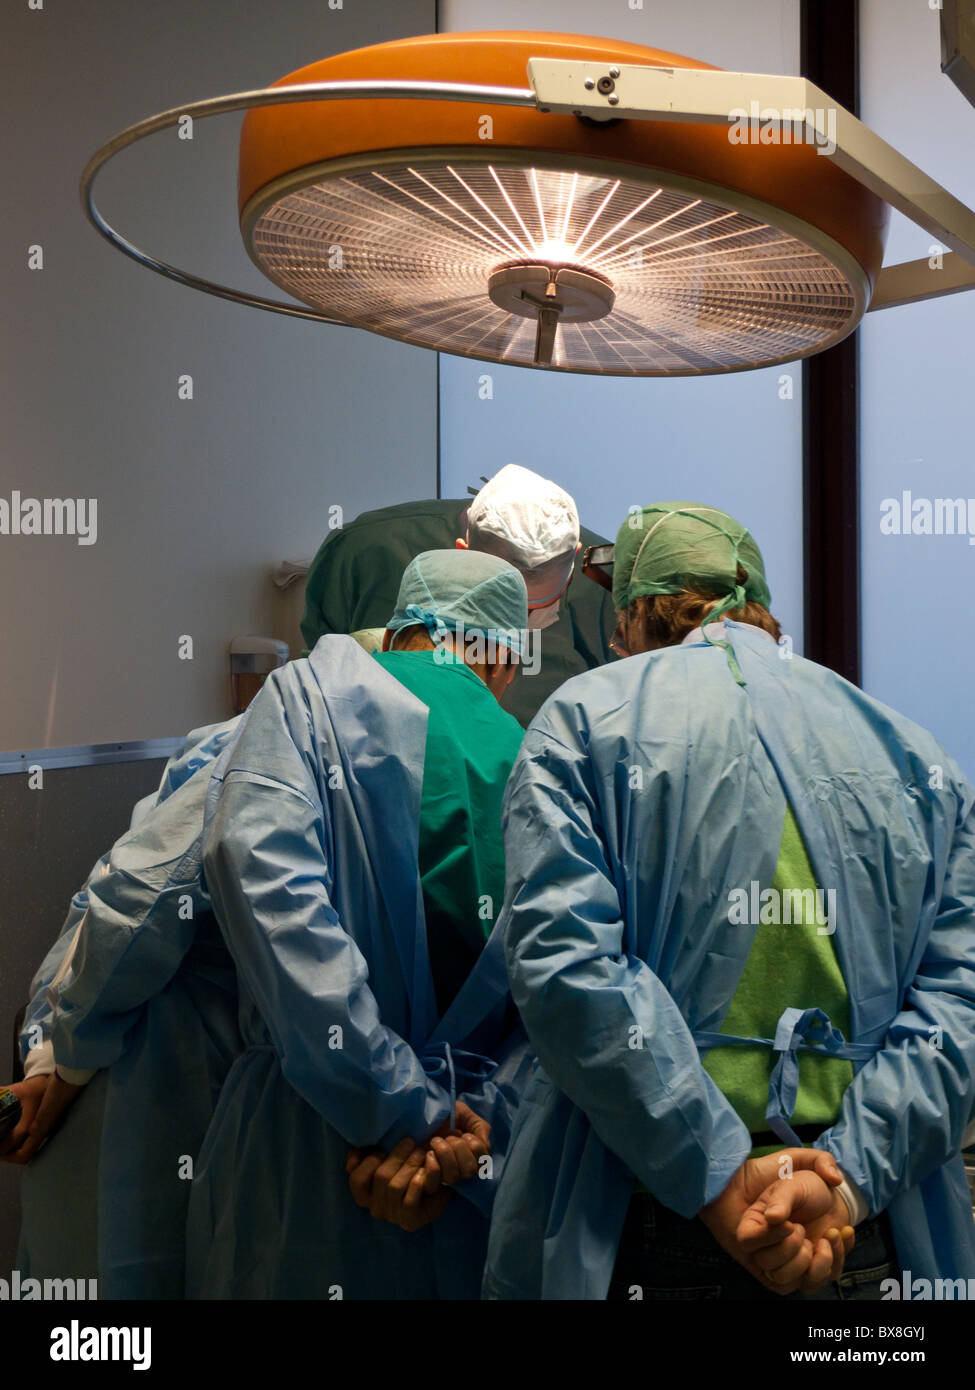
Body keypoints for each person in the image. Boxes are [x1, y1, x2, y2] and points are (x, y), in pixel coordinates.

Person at [483, 501, 975, 1300]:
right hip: (848, 1227)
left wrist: (714, 1179)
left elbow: (567, 970)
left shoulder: (584, 722)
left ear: (636, 613)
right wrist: (842, 1181)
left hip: (650, 1214)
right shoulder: (914, 754)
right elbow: (958, 1001)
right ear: (763, 610)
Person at [186, 550, 532, 1299]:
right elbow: (561, 982)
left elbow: (260, 877)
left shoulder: (305, 700)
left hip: (310, 1140)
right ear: (504, 657)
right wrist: (459, 1131)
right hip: (467, 1160)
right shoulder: (530, 755)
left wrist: (391, 1106)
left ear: (402, 628)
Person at [1, 719, 243, 1298]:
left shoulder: (202, 771)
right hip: (155, 1090)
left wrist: (48, 1057)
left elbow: (97, 917)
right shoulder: (258, 759)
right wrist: (58, 1067)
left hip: (96, 1069)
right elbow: (130, 907)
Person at [301, 464, 617, 726]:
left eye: (537, 608)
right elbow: (323, 680)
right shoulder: (365, 552)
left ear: (576, 559)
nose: (515, 629)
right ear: (461, 552)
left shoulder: (604, 585)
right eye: (501, 606)